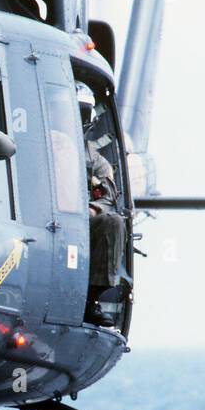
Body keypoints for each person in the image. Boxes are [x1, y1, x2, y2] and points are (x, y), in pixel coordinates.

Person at [77, 83, 125, 326]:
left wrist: (90, 209)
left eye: (80, 113)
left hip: (79, 224)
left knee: (113, 222)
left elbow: (107, 196)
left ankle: (91, 299)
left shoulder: (97, 163)